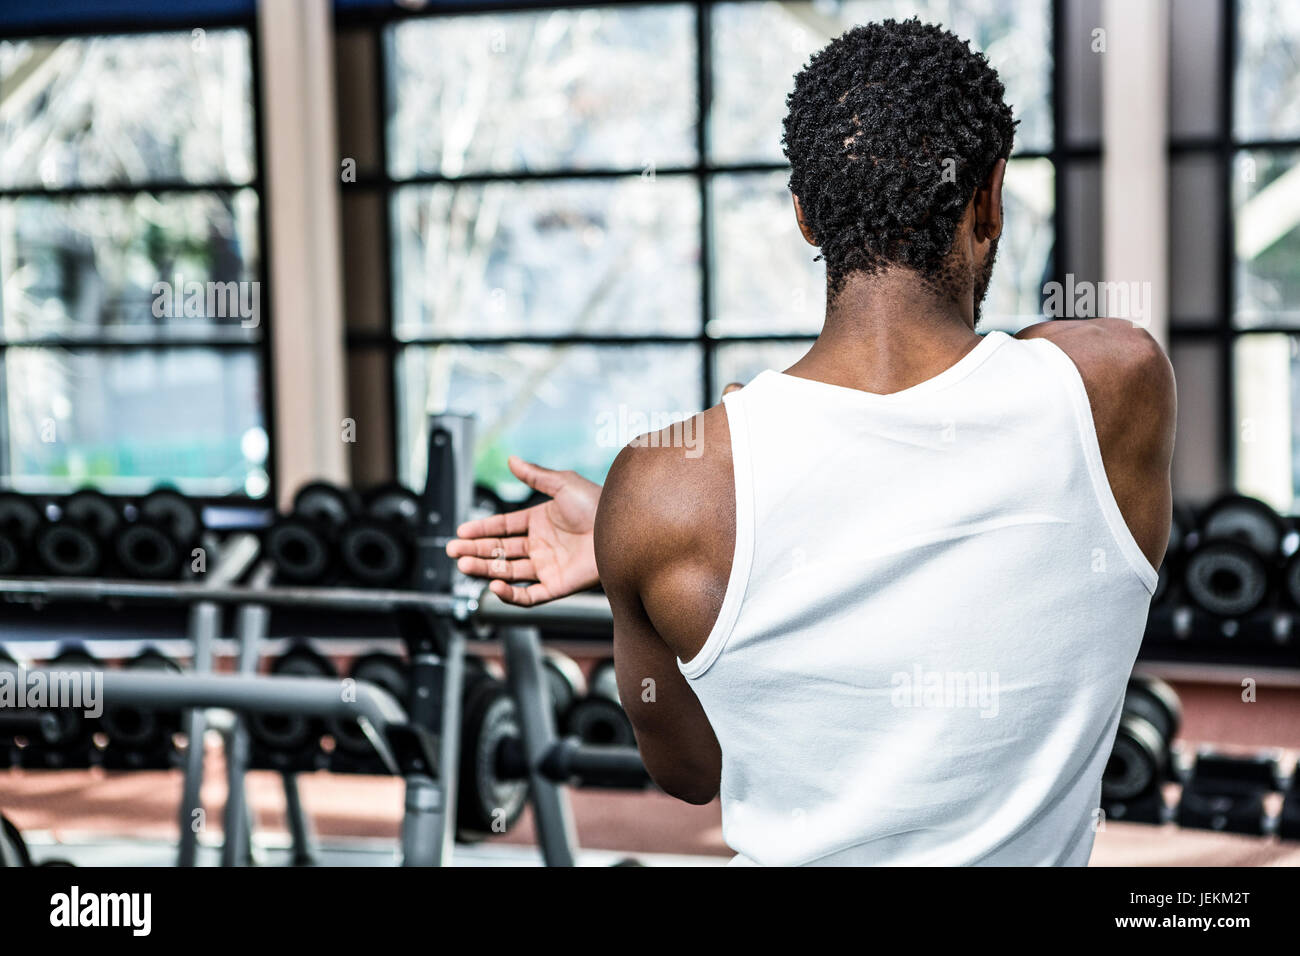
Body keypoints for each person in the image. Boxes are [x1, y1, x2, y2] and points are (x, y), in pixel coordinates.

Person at [448, 19, 1175, 866]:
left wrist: (631, 550)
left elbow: (691, 772)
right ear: (989, 198)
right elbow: (930, 457)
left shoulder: (664, 495)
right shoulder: (1117, 387)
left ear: (802, 215)